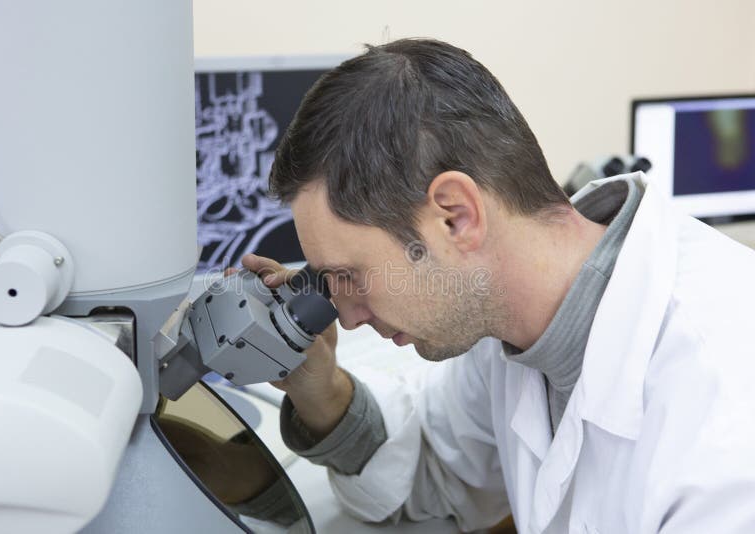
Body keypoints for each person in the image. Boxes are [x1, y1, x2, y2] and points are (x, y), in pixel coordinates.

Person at [240, 38, 755, 533]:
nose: (347, 316)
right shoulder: (512, 324)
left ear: (456, 217)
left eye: (349, 275)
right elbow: (432, 466)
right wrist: (320, 389)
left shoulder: (723, 419)